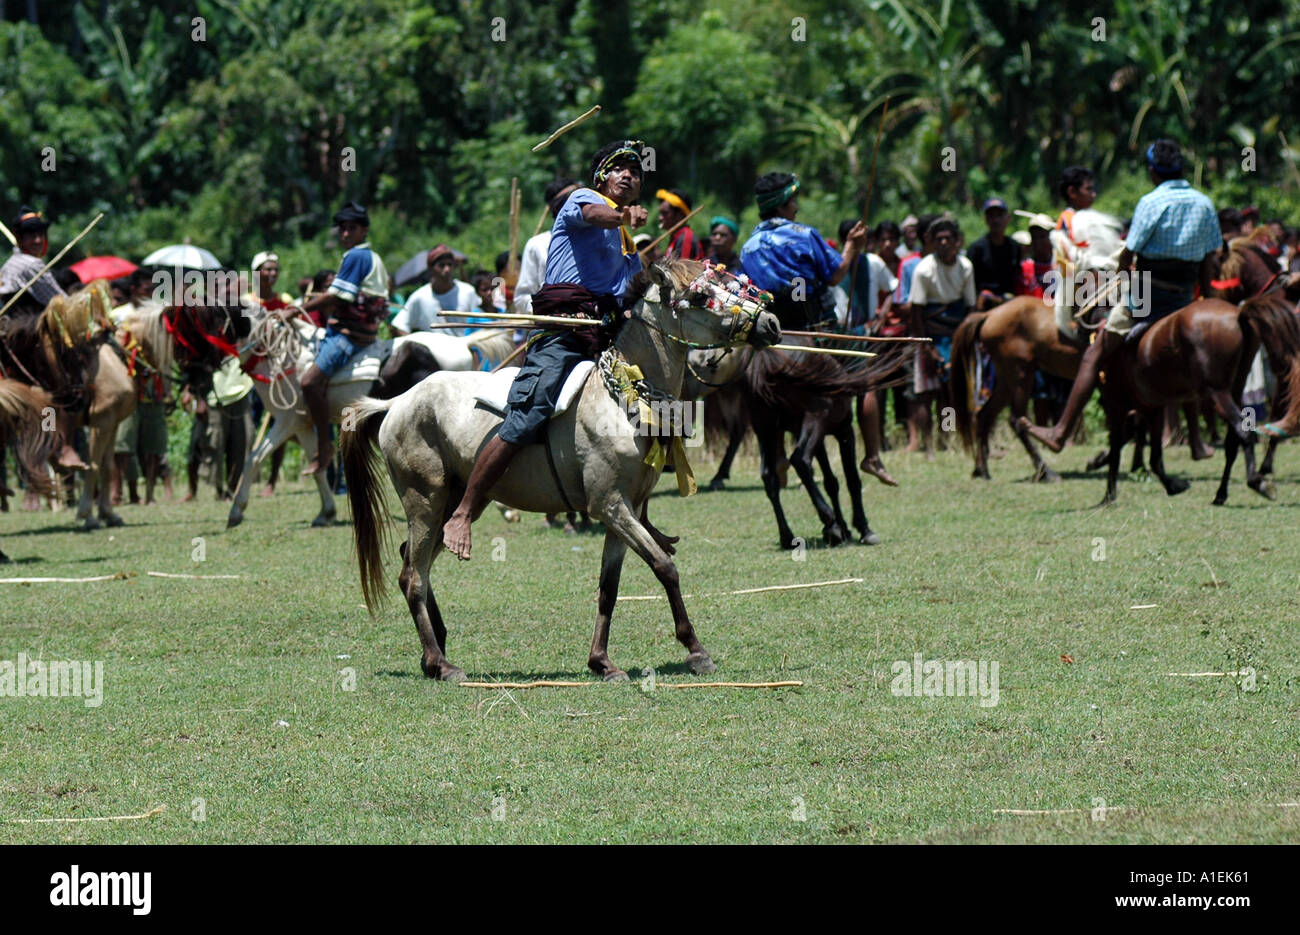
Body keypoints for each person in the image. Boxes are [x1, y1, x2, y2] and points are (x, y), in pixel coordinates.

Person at [442, 140, 650, 560]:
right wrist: (621, 215)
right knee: (531, 411)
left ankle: (639, 511)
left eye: (636, 170)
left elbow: (635, 290)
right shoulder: (583, 201)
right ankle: (464, 511)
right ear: (601, 178)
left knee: (657, 405)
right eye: (619, 168)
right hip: (563, 336)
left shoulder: (626, 241)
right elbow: (600, 215)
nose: (629, 175)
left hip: (606, 338)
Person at [1026, 140, 1221, 451]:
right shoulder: (1204, 203)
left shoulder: (1151, 203)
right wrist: (1208, 297)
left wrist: (1121, 276)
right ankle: (1196, 441)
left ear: (1153, 171)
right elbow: (1211, 256)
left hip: (1147, 293)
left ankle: (1060, 431)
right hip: (1185, 294)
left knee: (1095, 353)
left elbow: (1129, 252)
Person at [287, 202, 389, 475]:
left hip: (349, 336)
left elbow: (337, 296)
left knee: (309, 382)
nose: (345, 234)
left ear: (364, 231)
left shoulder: (356, 257)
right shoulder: (373, 257)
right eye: (342, 229)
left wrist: (297, 310)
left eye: (351, 228)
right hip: (365, 333)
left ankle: (324, 445)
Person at [0, 206, 87, 471]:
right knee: (61, 382)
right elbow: (60, 301)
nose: (36, 241)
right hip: (24, 338)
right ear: (19, 239)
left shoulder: (10, 264)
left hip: (10, 336)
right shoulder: (31, 265)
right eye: (29, 236)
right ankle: (61, 445)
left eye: (39, 235)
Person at [739, 172, 866, 330]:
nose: (796, 207)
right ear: (781, 205)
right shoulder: (804, 235)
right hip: (815, 330)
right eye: (793, 201)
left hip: (772, 333)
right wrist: (851, 245)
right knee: (860, 345)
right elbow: (835, 276)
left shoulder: (747, 249)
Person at [907, 217, 976, 456]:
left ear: (957, 241)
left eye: (948, 238)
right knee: (926, 394)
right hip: (929, 336)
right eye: (939, 239)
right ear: (933, 243)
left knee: (949, 393)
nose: (944, 243)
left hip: (956, 335)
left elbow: (970, 308)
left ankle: (945, 441)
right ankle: (928, 444)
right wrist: (926, 348)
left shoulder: (966, 266)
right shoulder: (924, 269)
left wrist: (962, 341)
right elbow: (916, 311)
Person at [513, 178, 580, 316]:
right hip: (551, 328)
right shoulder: (537, 245)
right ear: (556, 208)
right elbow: (522, 298)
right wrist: (549, 309)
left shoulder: (598, 238)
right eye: (572, 203)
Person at [390, 244, 476, 336]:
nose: (447, 269)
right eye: (441, 265)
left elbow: (481, 323)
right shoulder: (420, 297)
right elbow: (398, 326)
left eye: (450, 265)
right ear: (430, 268)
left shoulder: (467, 292)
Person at [967, 197, 1020, 308]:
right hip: (984, 304)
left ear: (1008, 218)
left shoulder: (1014, 247)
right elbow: (970, 283)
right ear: (986, 219)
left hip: (1010, 303)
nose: (995, 220)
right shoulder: (976, 249)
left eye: (999, 215)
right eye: (991, 216)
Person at [655, 188, 704, 259]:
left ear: (679, 215)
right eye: (660, 213)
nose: (660, 218)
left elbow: (682, 269)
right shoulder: (676, 236)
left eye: (665, 213)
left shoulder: (686, 238)